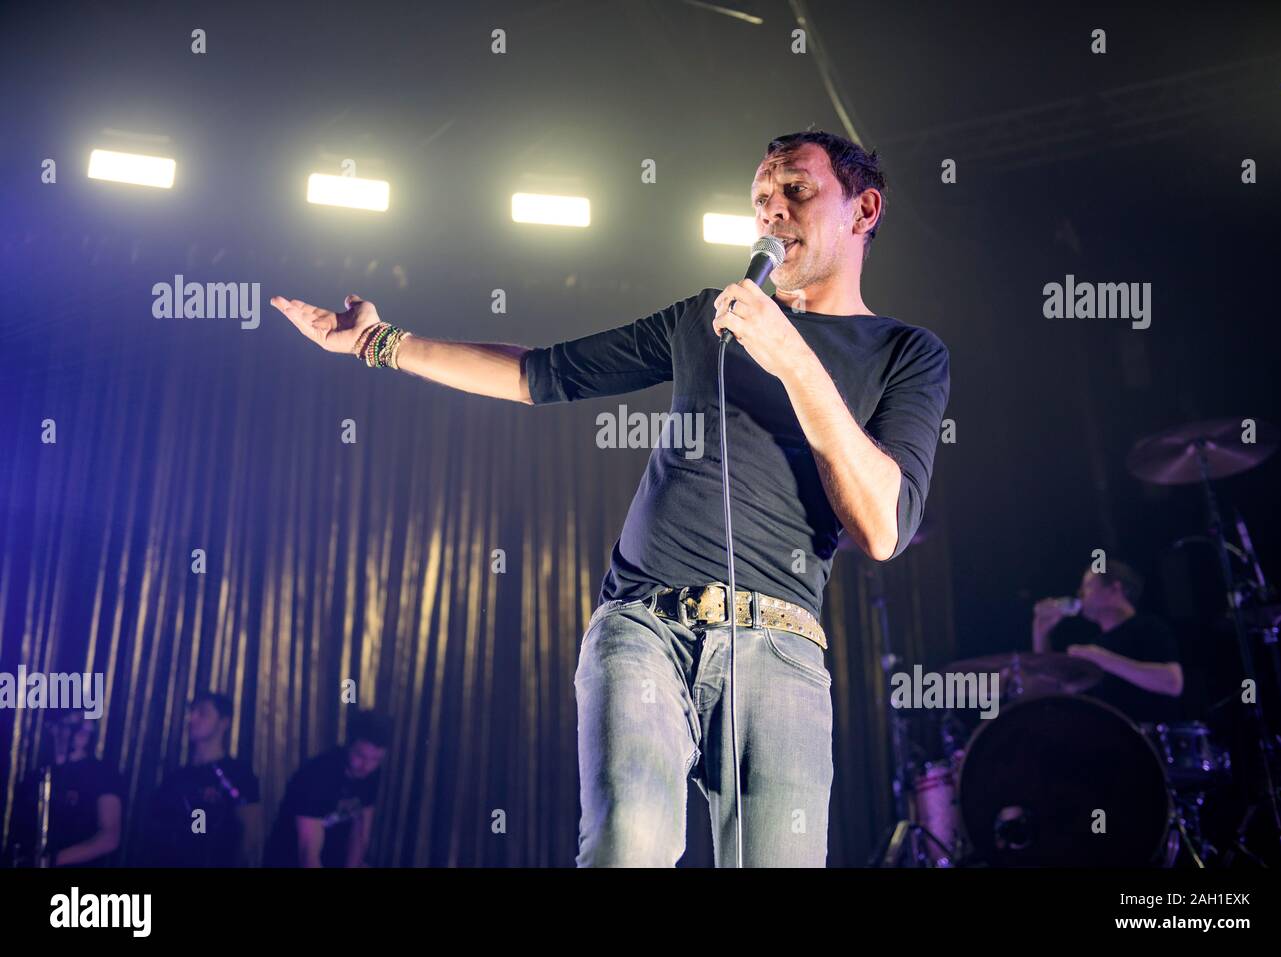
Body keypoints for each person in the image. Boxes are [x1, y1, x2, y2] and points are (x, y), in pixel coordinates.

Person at [271, 130, 950, 867]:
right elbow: (541, 373)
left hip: (781, 648)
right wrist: (381, 342)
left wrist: (790, 356)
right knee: (628, 842)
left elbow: (883, 525)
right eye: (761, 197)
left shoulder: (904, 352)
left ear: (863, 209)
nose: (772, 212)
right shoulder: (708, 319)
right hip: (644, 625)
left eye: (796, 191)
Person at [1032, 560, 1184, 723]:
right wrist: (1041, 633)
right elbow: (1051, 691)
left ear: (1114, 589)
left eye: (1088, 586)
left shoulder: (1149, 627)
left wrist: (1100, 658)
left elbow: (1172, 683)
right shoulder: (1095, 644)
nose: (1080, 594)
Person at [140, 691, 261, 867]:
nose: (192, 718)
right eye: (191, 712)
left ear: (223, 723)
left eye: (202, 713)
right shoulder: (175, 778)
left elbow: (251, 834)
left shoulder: (238, 774)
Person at [264, 711, 390, 867]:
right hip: (287, 860)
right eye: (360, 756)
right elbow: (308, 852)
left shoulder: (372, 773)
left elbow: (360, 831)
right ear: (348, 746)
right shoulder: (315, 776)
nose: (367, 766)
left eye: (376, 759)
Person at [6, 710, 124, 867]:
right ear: (53, 727)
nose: (84, 728)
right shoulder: (35, 777)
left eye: (88, 724)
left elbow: (109, 837)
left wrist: (53, 860)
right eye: (76, 723)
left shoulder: (101, 773)